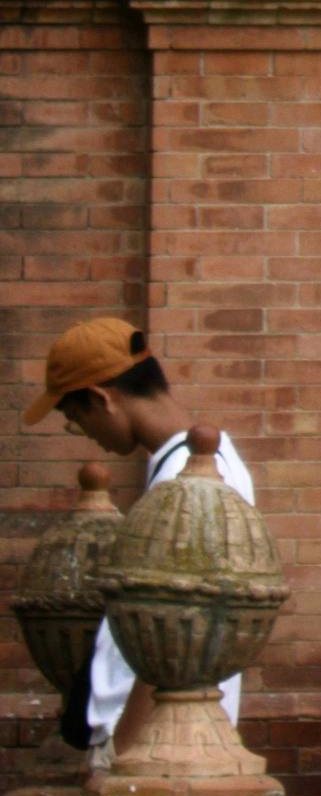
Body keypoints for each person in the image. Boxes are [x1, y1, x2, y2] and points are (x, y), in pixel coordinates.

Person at [26, 312, 258, 765]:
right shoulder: (190, 465)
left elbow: (174, 627)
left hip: (148, 743)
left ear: (101, 398)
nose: (86, 435)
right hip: (157, 736)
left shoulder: (188, 482)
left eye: (76, 418)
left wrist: (127, 761)